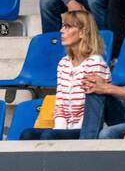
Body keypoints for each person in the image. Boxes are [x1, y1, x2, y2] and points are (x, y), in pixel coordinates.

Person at [20, 11, 111, 139]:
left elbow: (92, 108)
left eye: (67, 26)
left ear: (82, 33)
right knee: (27, 134)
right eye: (63, 26)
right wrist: (59, 130)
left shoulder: (95, 63)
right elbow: (60, 104)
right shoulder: (64, 63)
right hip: (66, 128)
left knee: (49, 136)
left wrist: (59, 135)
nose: (61, 30)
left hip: (86, 129)